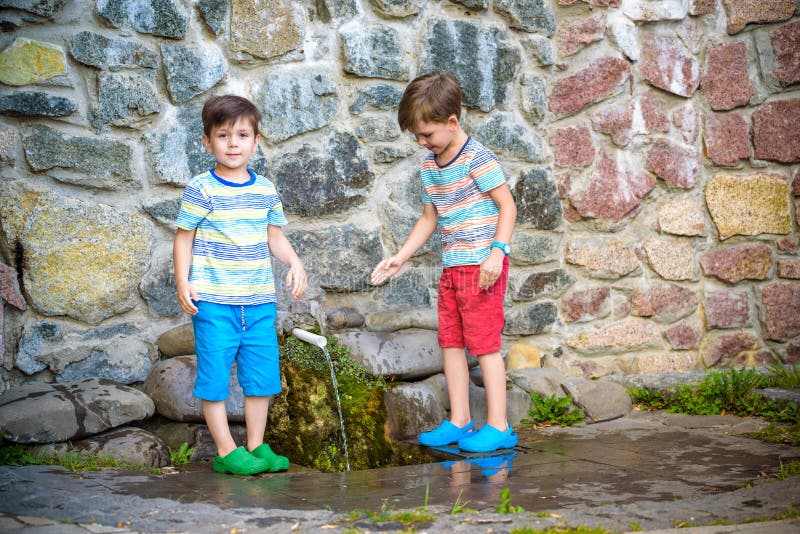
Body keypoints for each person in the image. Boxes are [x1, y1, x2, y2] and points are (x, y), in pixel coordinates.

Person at [370, 73, 518, 453]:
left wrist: (497, 252)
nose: (422, 142)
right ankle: (460, 420)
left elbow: (507, 206)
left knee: (484, 345)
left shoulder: (477, 158)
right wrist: (399, 258)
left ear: (452, 122)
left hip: (482, 268)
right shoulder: (429, 168)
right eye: (416, 136)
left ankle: (499, 425)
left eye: (427, 134)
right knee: (451, 342)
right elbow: (428, 219)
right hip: (453, 269)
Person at [173, 94, 307, 475]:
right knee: (214, 377)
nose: (233, 144)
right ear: (207, 142)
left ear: (256, 141)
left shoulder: (265, 190)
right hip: (214, 302)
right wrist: (183, 281)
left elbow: (274, 236)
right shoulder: (202, 188)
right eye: (223, 135)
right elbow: (183, 238)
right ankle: (225, 450)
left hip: (259, 303)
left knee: (261, 377)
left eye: (242, 135)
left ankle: (256, 444)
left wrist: (294, 261)